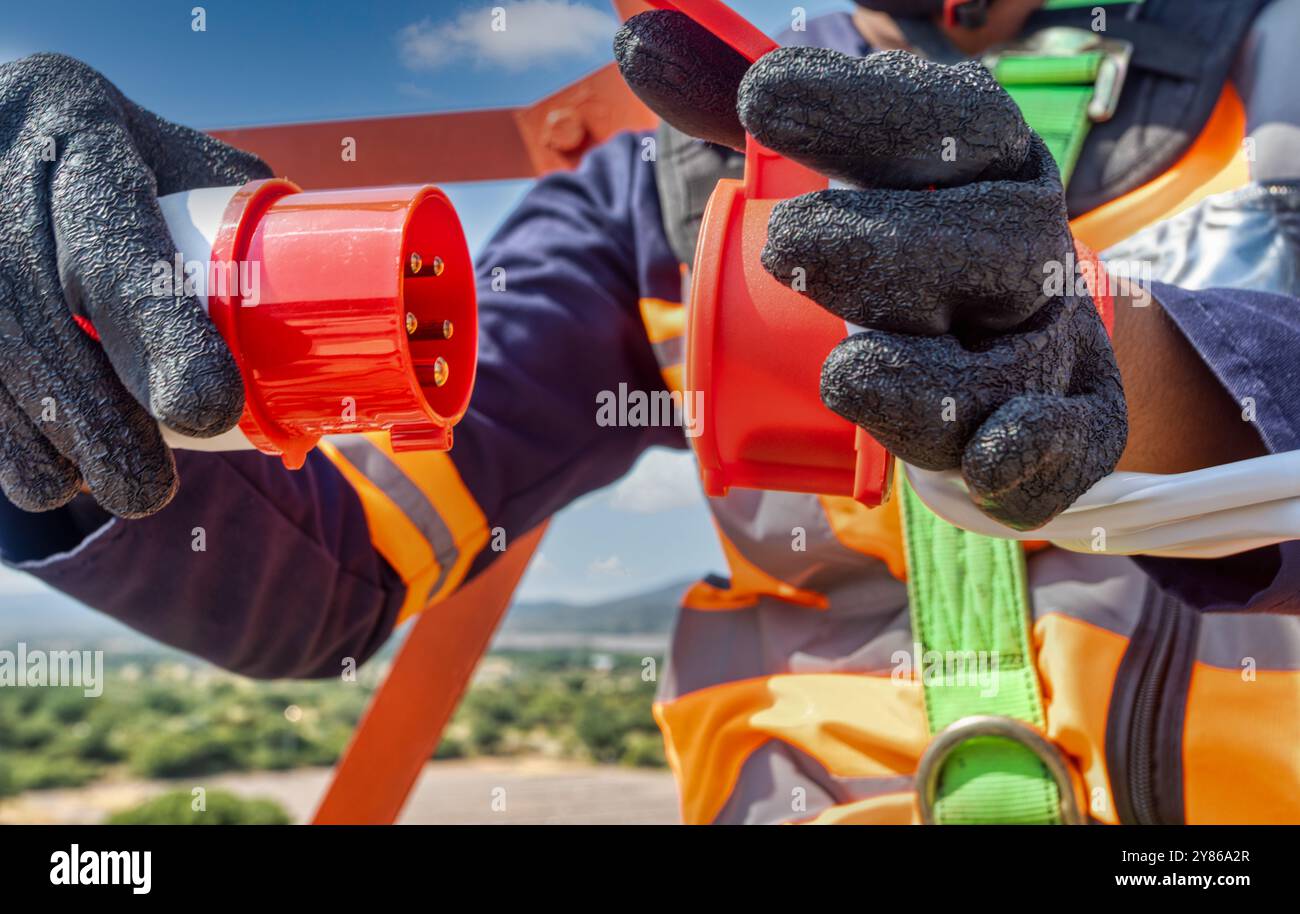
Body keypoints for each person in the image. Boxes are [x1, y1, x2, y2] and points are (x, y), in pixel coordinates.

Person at [0, 0, 1296, 823]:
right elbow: (332, 562)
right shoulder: (669, 186)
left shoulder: (1274, 73)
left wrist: (1127, 369)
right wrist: (60, 373)